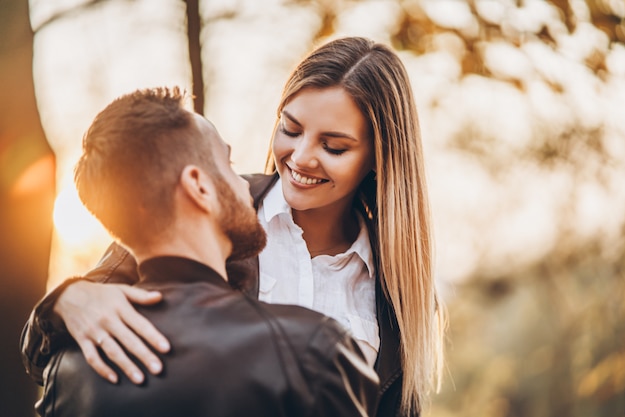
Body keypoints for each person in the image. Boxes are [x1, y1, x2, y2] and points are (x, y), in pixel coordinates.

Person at [22, 37, 446, 416]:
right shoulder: (208, 213)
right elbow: (49, 356)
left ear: (379, 157)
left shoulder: (396, 288)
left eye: (333, 146)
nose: (300, 157)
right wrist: (68, 300)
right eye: (290, 129)